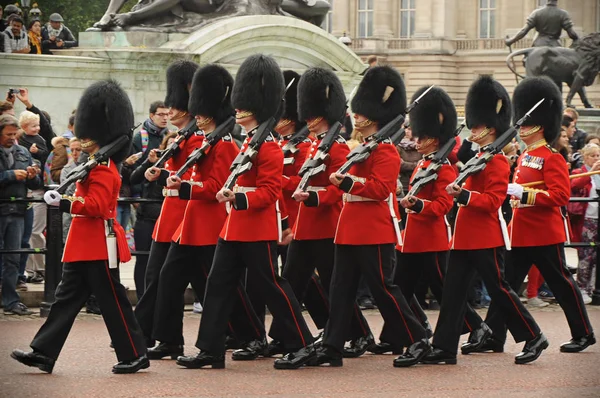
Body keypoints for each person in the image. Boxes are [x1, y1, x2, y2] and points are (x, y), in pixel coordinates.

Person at [281, 65, 432, 370]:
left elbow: (380, 189)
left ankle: (418, 339)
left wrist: (347, 182)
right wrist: (322, 191)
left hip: (373, 231)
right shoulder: (360, 148)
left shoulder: (385, 151)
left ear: (375, 118)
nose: (356, 117)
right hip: (348, 229)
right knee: (339, 290)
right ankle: (332, 346)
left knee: (383, 290)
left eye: (362, 113)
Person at [177, 54, 314, 370]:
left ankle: (302, 344)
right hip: (233, 228)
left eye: (243, 105)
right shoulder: (248, 142)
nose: (236, 109)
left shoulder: (268, 147)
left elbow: (269, 192)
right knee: (218, 286)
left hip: (256, 229)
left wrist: (237, 198)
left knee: (273, 287)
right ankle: (210, 349)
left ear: (258, 107)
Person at [11, 79, 149, 374]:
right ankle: (43, 352)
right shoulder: (93, 164)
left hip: (97, 243)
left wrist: (66, 203)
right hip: (83, 243)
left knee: (113, 302)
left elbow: (98, 208)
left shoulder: (104, 169)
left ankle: (135, 353)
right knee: (64, 299)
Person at [423, 76, 545, 366]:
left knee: (500, 290)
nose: (472, 130)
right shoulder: (478, 157)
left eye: (476, 126)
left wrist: (463, 196)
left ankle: (533, 336)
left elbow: (492, 201)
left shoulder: (498, 161)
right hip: (465, 236)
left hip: (485, 236)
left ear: (490, 128)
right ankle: (443, 347)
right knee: (452, 294)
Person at [481, 76, 595, 356]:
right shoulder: (524, 156)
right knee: (504, 285)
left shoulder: (551, 157)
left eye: (525, 123)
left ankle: (583, 334)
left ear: (539, 126)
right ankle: (494, 336)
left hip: (544, 233)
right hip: (521, 232)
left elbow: (560, 196)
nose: (520, 128)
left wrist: (525, 194)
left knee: (562, 286)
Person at [269, 67, 374, 360]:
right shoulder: (315, 143)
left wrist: (311, 196)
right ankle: (286, 335)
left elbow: (338, 188)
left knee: (333, 286)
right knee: (291, 280)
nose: (307, 120)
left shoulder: (337, 147)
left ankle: (360, 333)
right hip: (305, 225)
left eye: (312, 115)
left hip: (327, 225)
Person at [372, 85, 483, 355]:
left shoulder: (443, 167)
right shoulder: (423, 164)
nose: (417, 141)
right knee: (401, 288)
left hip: (431, 240)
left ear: (435, 139)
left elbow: (444, 205)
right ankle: (394, 336)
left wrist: (418, 204)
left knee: (445, 291)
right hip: (411, 239)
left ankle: (478, 326)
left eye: (422, 137)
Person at [133, 60, 202, 348]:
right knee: (159, 278)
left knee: (200, 283)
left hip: (188, 216)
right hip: (169, 215)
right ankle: (161, 337)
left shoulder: (198, 138)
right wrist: (158, 173)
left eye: (174, 106)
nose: (169, 111)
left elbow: (197, 179)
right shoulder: (180, 137)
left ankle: (237, 333)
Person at [0, 114, 41, 315]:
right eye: (8, 134)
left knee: (13, 258)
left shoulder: (23, 151)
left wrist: (33, 176)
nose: (12, 137)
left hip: (17, 212)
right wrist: (10, 175)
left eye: (14, 134)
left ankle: (10, 301)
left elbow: (35, 184)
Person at [129, 131, 174, 299]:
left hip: (168, 218)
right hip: (147, 217)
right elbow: (134, 178)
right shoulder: (157, 163)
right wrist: (150, 161)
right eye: (169, 146)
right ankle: (142, 296)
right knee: (143, 260)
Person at [571, 143, 600, 304]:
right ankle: (581, 287)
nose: (596, 159)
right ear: (585, 157)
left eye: (598, 155)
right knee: (586, 254)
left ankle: (592, 287)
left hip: (597, 217)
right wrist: (592, 171)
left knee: (596, 255)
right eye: (593, 156)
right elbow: (575, 184)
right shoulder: (579, 172)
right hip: (585, 218)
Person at [505, 0, 578, 48]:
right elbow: (571, 34)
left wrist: (510, 41)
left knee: (526, 60)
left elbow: (524, 31)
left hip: (539, 44)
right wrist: (579, 40)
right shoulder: (563, 14)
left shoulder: (537, 13)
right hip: (555, 45)